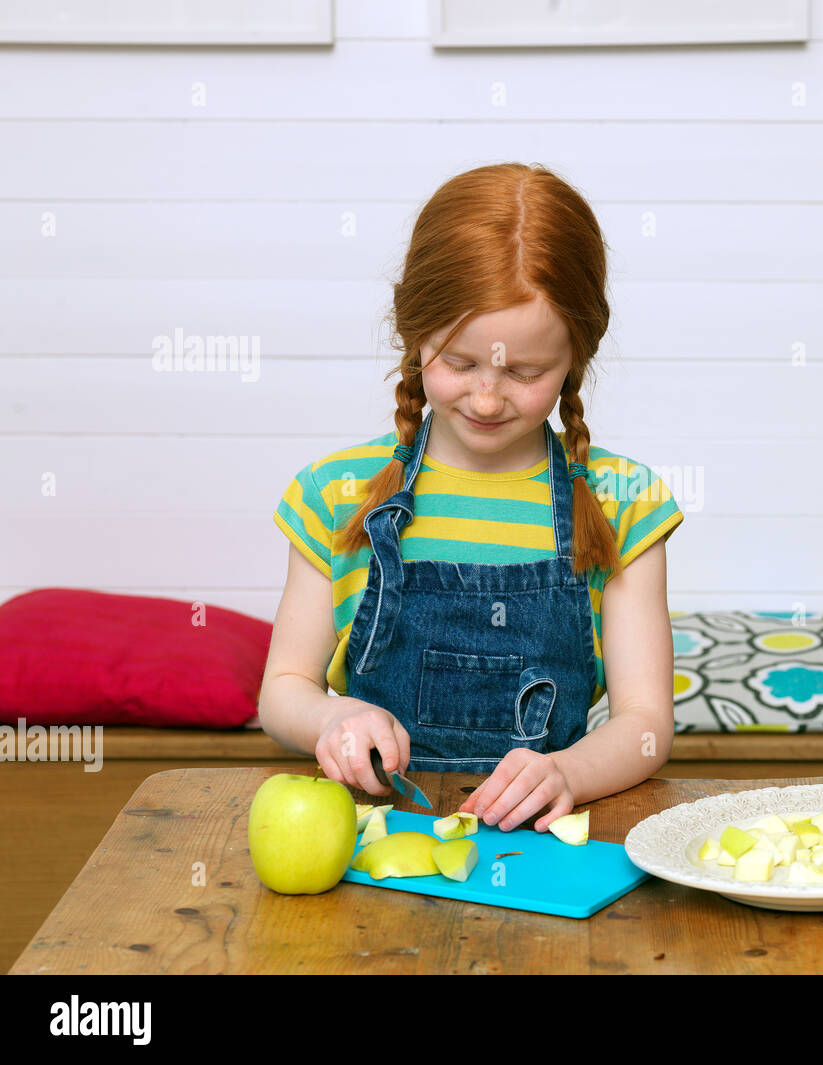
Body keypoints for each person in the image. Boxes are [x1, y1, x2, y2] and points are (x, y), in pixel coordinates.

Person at [259, 163, 683, 834]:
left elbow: (646, 724)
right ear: (414, 332)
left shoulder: (623, 502)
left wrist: (567, 772)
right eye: (459, 362)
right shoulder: (332, 494)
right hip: (379, 853)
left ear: (577, 352)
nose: (487, 398)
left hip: (542, 852)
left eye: (525, 371)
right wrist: (332, 717)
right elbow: (283, 690)